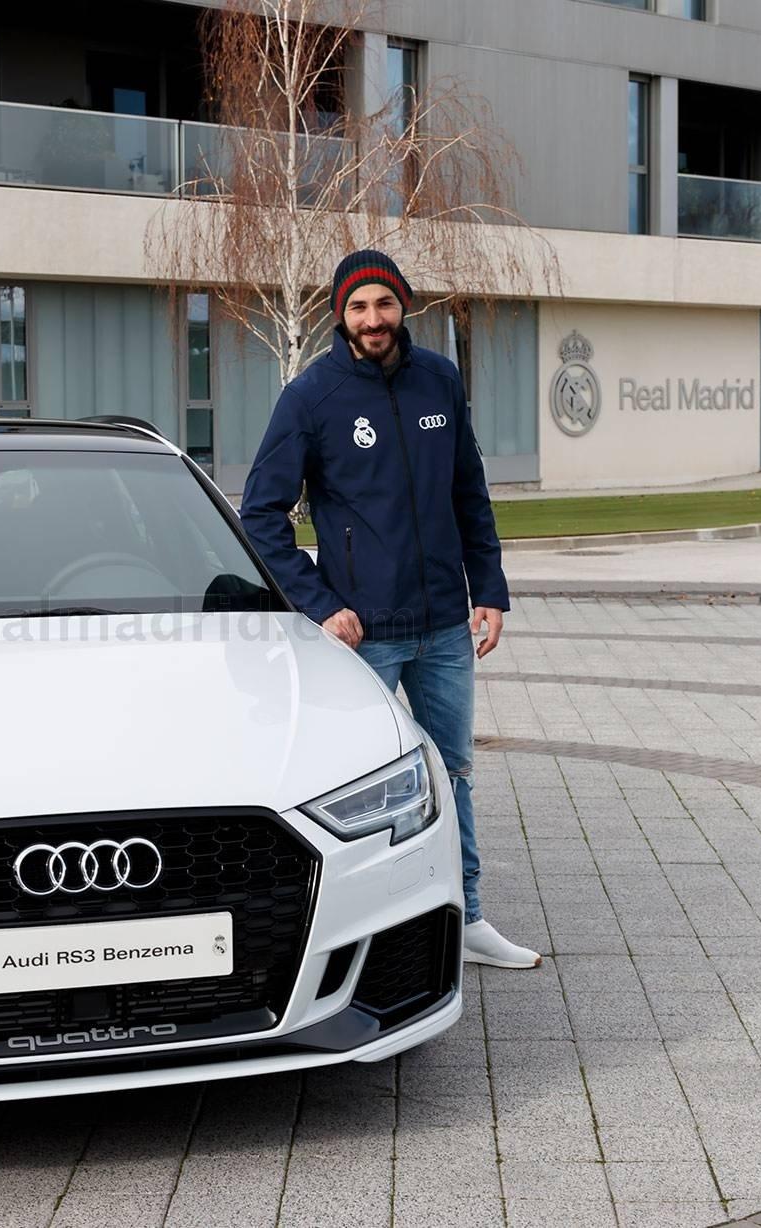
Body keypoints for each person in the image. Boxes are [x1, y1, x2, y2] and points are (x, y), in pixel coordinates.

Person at [240, 248, 541, 970]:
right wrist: (321, 604)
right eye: (357, 307)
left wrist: (489, 587)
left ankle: (467, 919)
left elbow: (468, 492)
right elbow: (260, 515)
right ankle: (366, 931)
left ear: (402, 305)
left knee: (454, 774)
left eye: (383, 303)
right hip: (364, 635)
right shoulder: (311, 398)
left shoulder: (439, 379)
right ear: (339, 315)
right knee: (357, 790)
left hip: (443, 628)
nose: (372, 319)